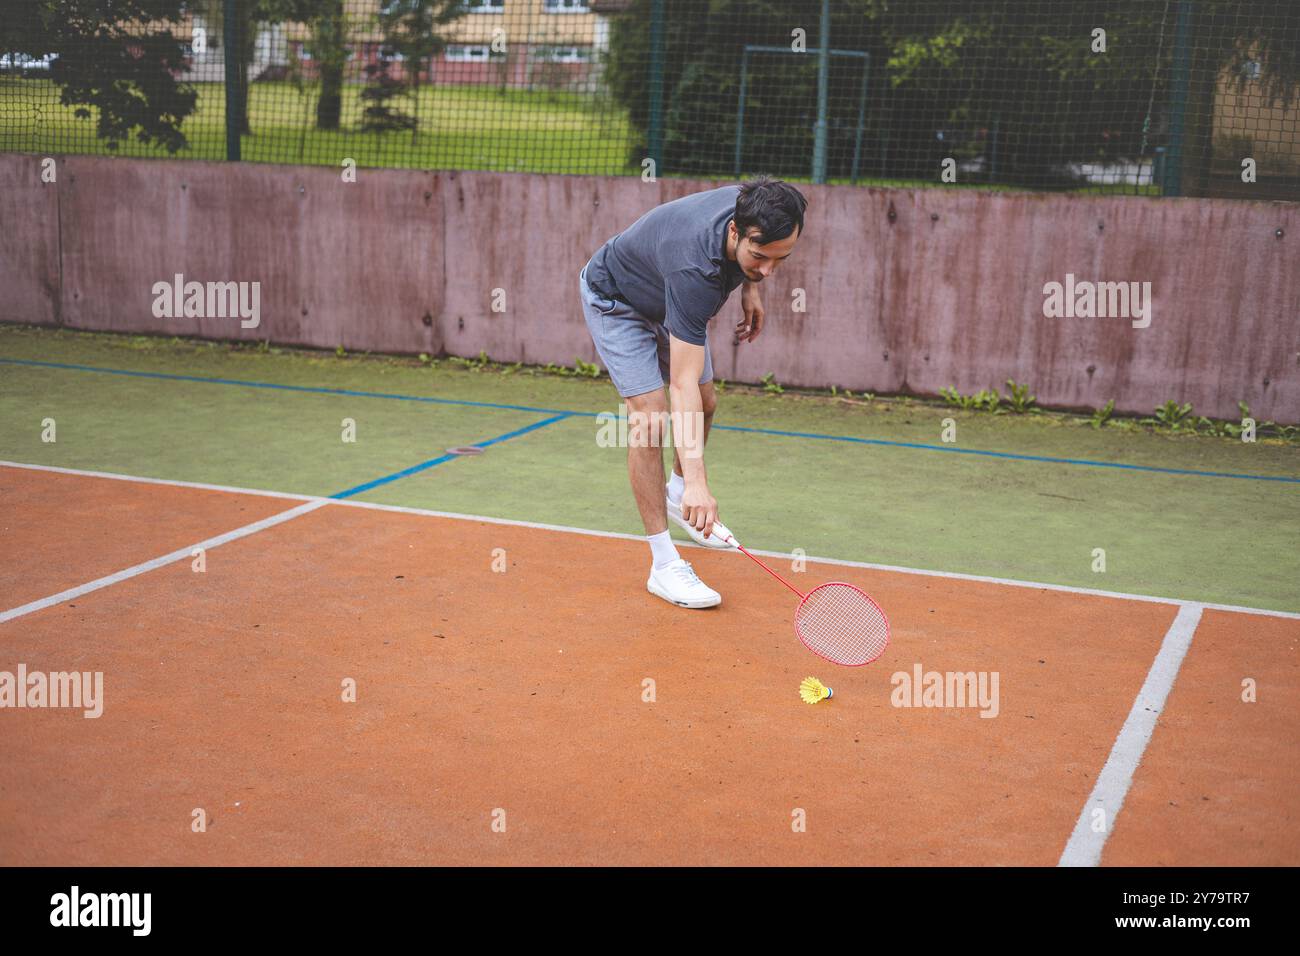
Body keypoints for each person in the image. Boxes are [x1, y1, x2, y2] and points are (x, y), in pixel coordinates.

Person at [579, 175, 807, 608]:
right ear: (735, 232)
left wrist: (751, 287)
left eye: (781, 259)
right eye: (759, 258)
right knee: (650, 417)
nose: (768, 268)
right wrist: (702, 481)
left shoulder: (751, 204)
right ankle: (663, 565)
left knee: (706, 403)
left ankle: (678, 493)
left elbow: (757, 251)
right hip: (617, 300)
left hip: (667, 298)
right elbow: (680, 381)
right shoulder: (694, 269)